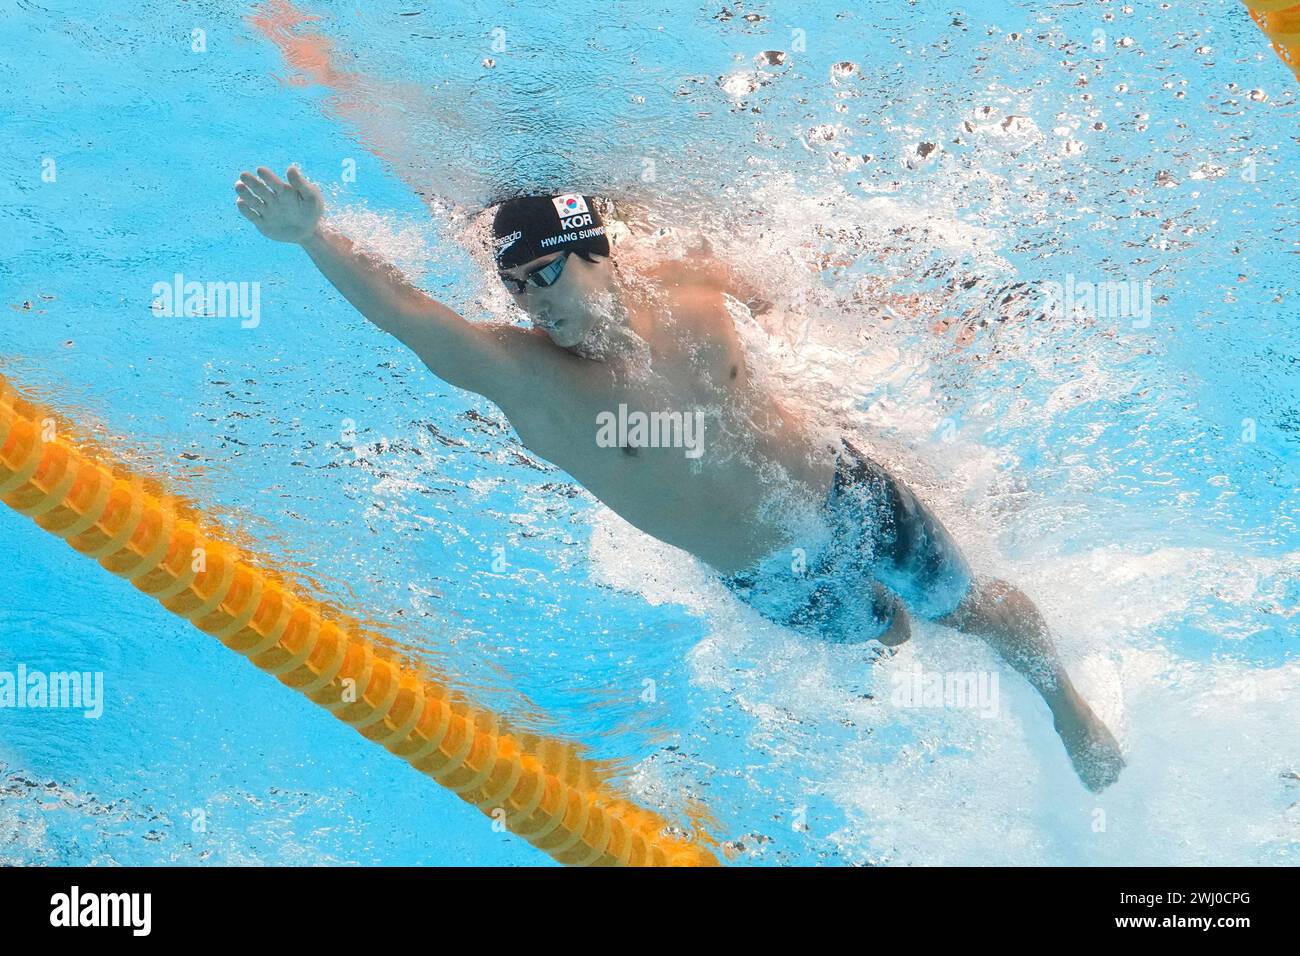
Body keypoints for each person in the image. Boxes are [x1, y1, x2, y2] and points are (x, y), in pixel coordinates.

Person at [234, 169, 1125, 791]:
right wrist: (315, 237)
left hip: (843, 493)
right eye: (516, 290)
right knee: (884, 637)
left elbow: (796, 284)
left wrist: (931, 327)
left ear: (598, 253)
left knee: (966, 606)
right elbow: (410, 317)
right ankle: (907, 633)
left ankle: (1067, 707)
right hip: (768, 578)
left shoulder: (690, 288)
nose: (534, 303)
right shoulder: (531, 382)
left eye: (546, 274)